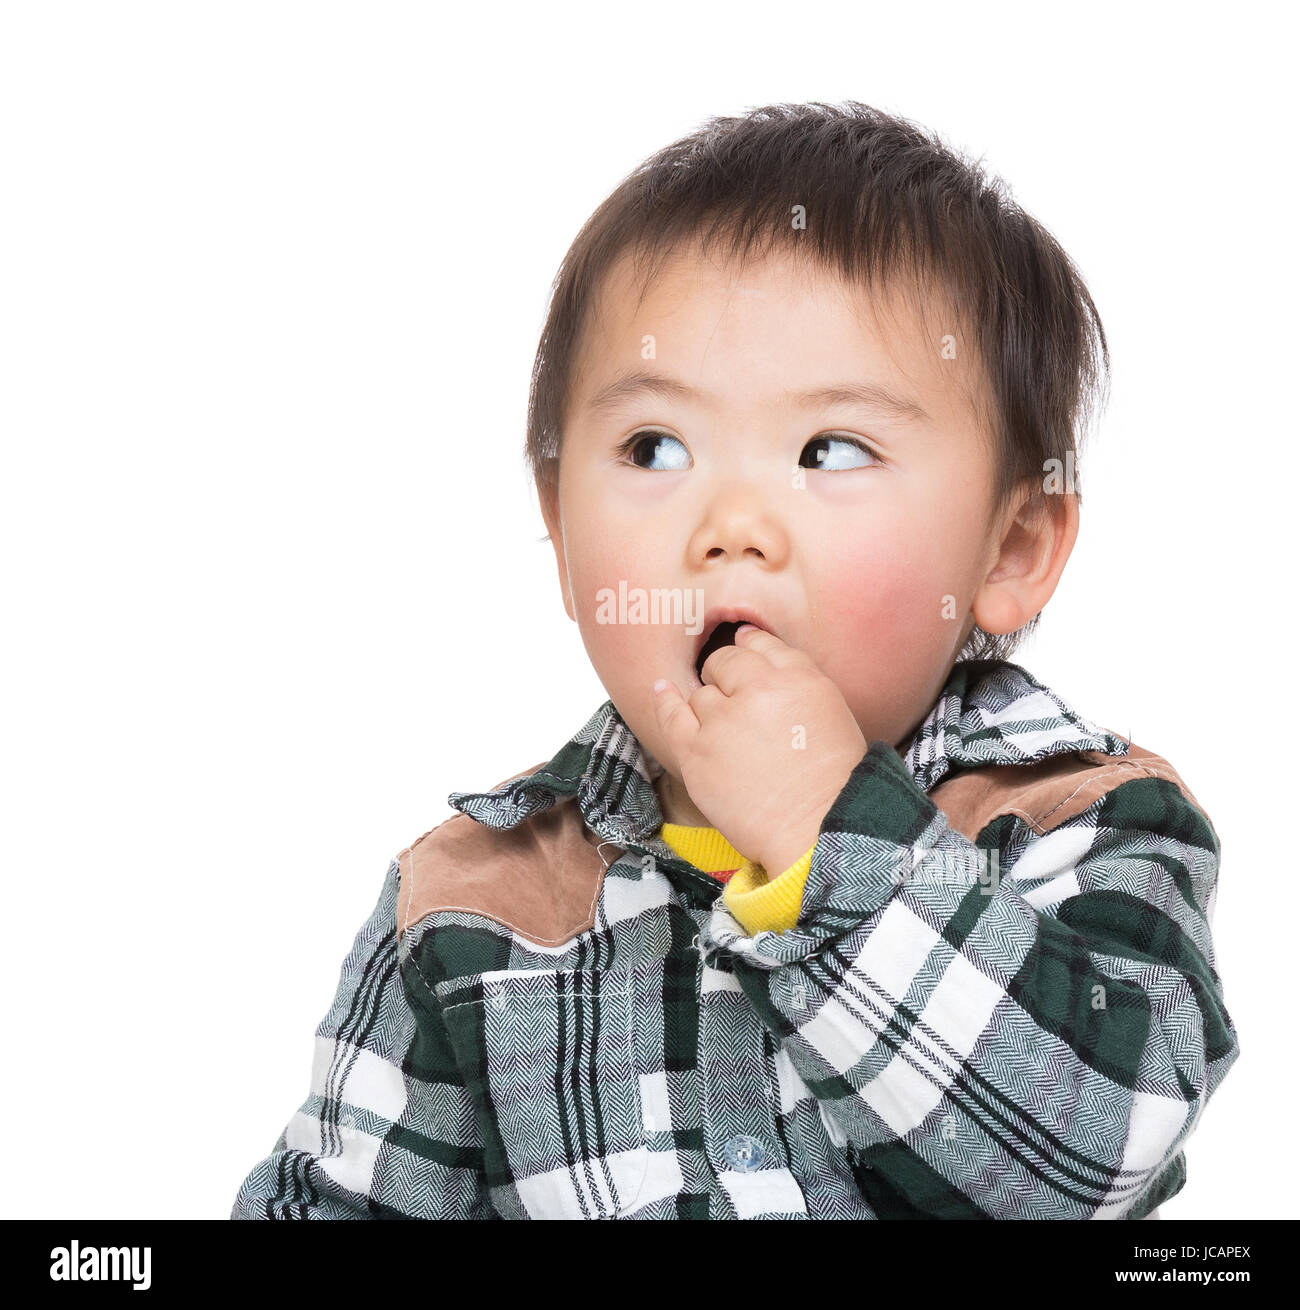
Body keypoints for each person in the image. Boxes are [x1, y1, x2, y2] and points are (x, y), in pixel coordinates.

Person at [231, 101, 1238, 1220]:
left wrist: (830, 838)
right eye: (654, 447)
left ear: (1007, 549)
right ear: (562, 538)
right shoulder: (466, 908)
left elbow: (1096, 1155)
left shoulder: (1076, 824)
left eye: (831, 449)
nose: (732, 522)